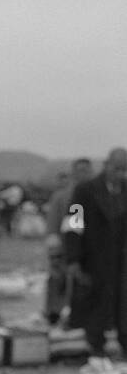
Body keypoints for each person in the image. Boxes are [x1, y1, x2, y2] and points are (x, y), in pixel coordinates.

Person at [64, 148, 127, 356]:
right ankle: (95, 345)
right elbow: (73, 225)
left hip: (121, 259)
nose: (121, 174)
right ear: (106, 165)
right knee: (95, 302)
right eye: (117, 169)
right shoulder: (84, 191)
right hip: (94, 257)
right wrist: (73, 258)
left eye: (125, 170)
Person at [45, 159, 92, 323]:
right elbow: (55, 222)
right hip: (64, 247)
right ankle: (54, 313)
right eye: (80, 170)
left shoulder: (95, 194)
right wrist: (55, 246)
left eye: (87, 170)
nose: (83, 174)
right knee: (59, 281)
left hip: (89, 251)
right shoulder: (63, 196)